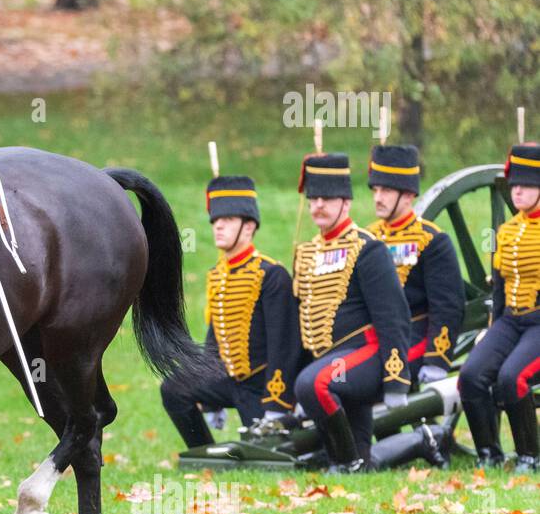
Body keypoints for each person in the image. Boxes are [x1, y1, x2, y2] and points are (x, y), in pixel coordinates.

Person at [291, 153, 412, 472]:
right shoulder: (305, 253)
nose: (318, 205)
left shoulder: (368, 248)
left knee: (313, 384)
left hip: (365, 355)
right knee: (366, 456)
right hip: (326, 357)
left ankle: (346, 463)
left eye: (328, 198)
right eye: (313, 198)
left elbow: (393, 316)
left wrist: (396, 377)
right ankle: (415, 443)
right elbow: (302, 319)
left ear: (345, 202)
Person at [161, 175, 300, 446]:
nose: (218, 226)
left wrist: (277, 402)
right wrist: (210, 399)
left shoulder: (271, 275)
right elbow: (215, 336)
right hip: (228, 379)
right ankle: (204, 452)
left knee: (271, 454)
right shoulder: (218, 275)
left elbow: (283, 347)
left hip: (262, 388)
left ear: (249, 227)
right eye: (215, 220)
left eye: (228, 219)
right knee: (174, 388)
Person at [365, 144, 465, 469]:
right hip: (374, 336)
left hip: (415, 334)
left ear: (408, 195)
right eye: (375, 189)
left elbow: (448, 306)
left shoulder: (432, 240)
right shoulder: (366, 238)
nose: (378, 197)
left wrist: (437, 358)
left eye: (386, 190)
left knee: (375, 374)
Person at [457, 143, 540, 471]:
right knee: (471, 375)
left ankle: (529, 456)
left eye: (527, 185)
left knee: (512, 377)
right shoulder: (506, 233)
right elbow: (501, 289)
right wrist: (491, 332)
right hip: (510, 320)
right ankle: (489, 454)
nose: (517, 191)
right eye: (514, 184)